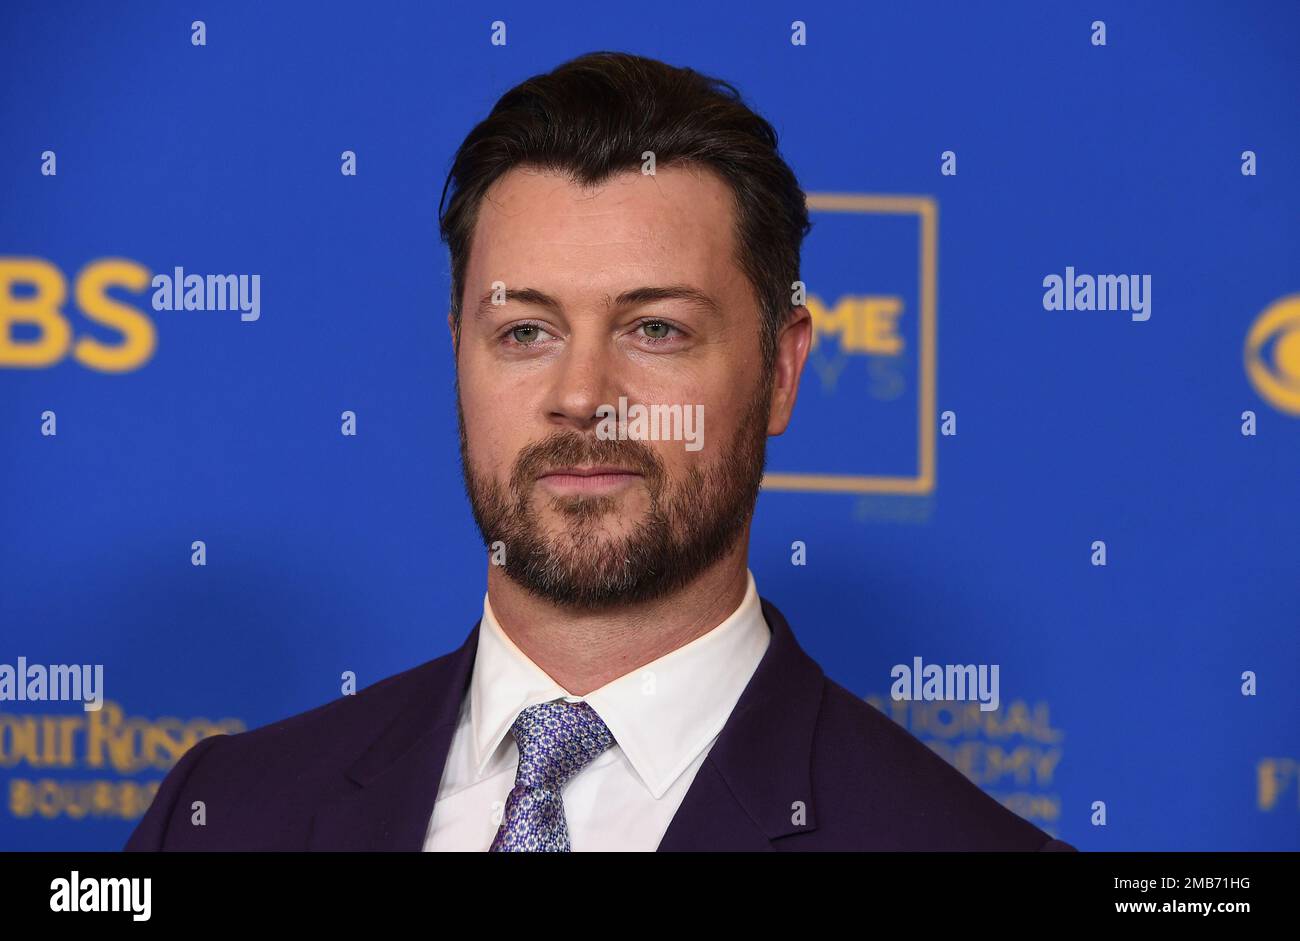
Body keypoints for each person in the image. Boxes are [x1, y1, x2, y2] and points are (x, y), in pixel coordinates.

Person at [126, 50, 1075, 852]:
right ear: (457, 352)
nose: (583, 398)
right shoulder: (222, 815)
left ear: (781, 372)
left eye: (655, 329)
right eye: (526, 332)